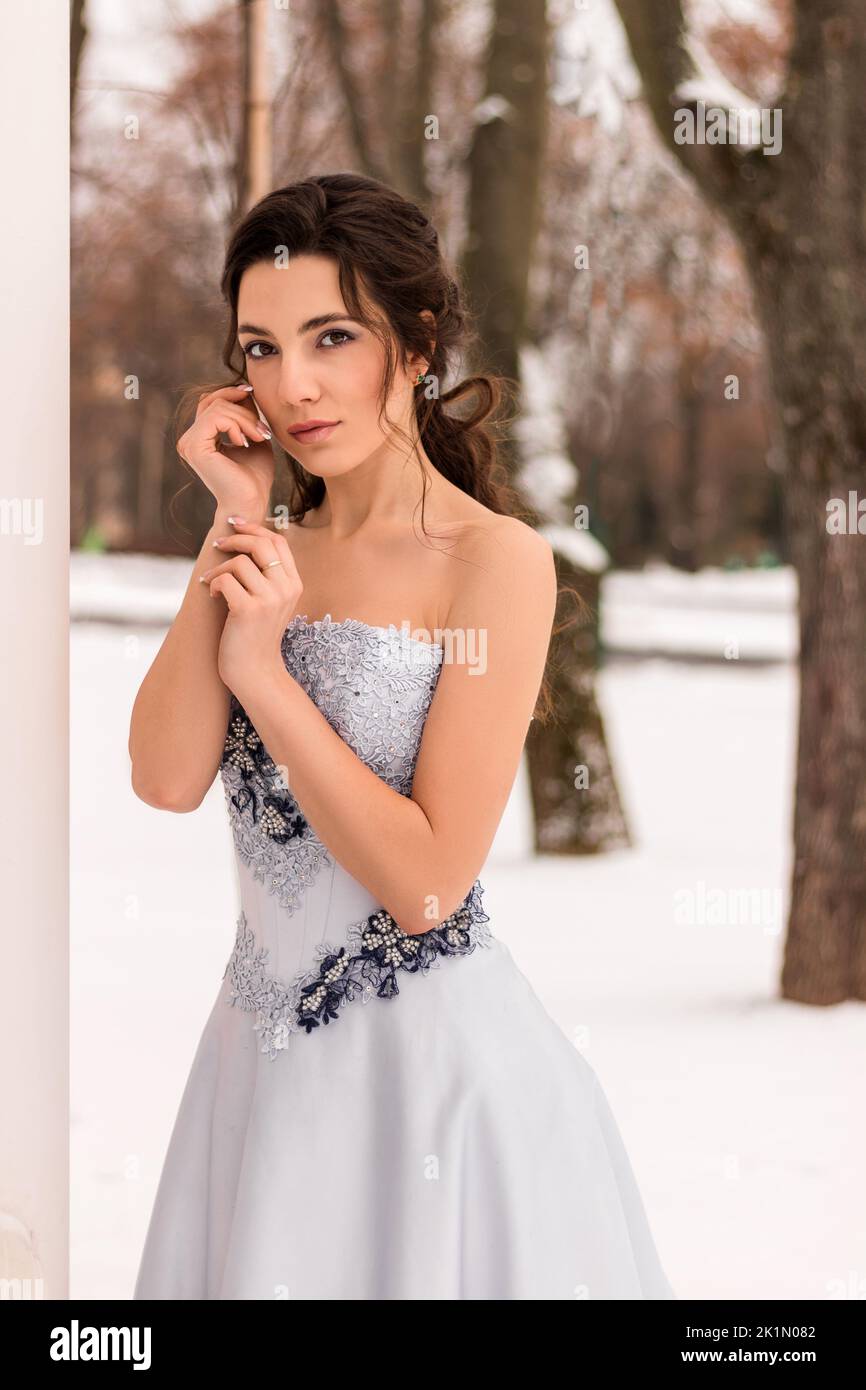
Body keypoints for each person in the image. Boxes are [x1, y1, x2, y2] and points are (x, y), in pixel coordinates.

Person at [129, 172, 674, 1300]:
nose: (293, 385)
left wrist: (267, 682)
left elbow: (427, 884)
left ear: (416, 344)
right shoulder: (264, 541)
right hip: (257, 1071)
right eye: (261, 347)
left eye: (332, 336)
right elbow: (164, 775)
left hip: (430, 1084)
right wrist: (234, 519)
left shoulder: (493, 560)